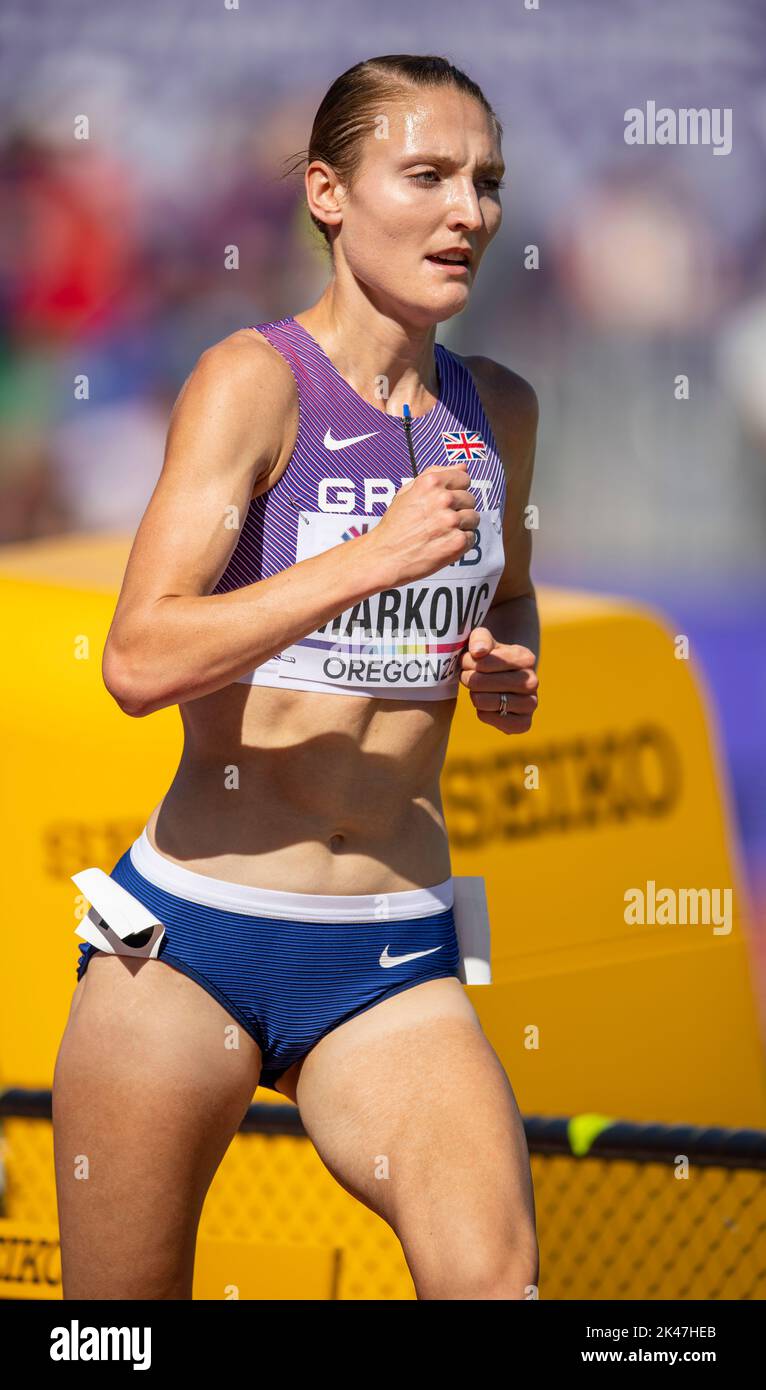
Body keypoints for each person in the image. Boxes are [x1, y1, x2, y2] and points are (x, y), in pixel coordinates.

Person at [52, 53, 541, 1301]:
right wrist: (365, 561)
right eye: (425, 175)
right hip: (189, 939)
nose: (466, 213)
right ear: (328, 192)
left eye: (484, 181)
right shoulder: (251, 382)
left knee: (494, 1283)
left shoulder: (503, 412)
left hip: (389, 945)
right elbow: (137, 658)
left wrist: (501, 662)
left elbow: (509, 588)